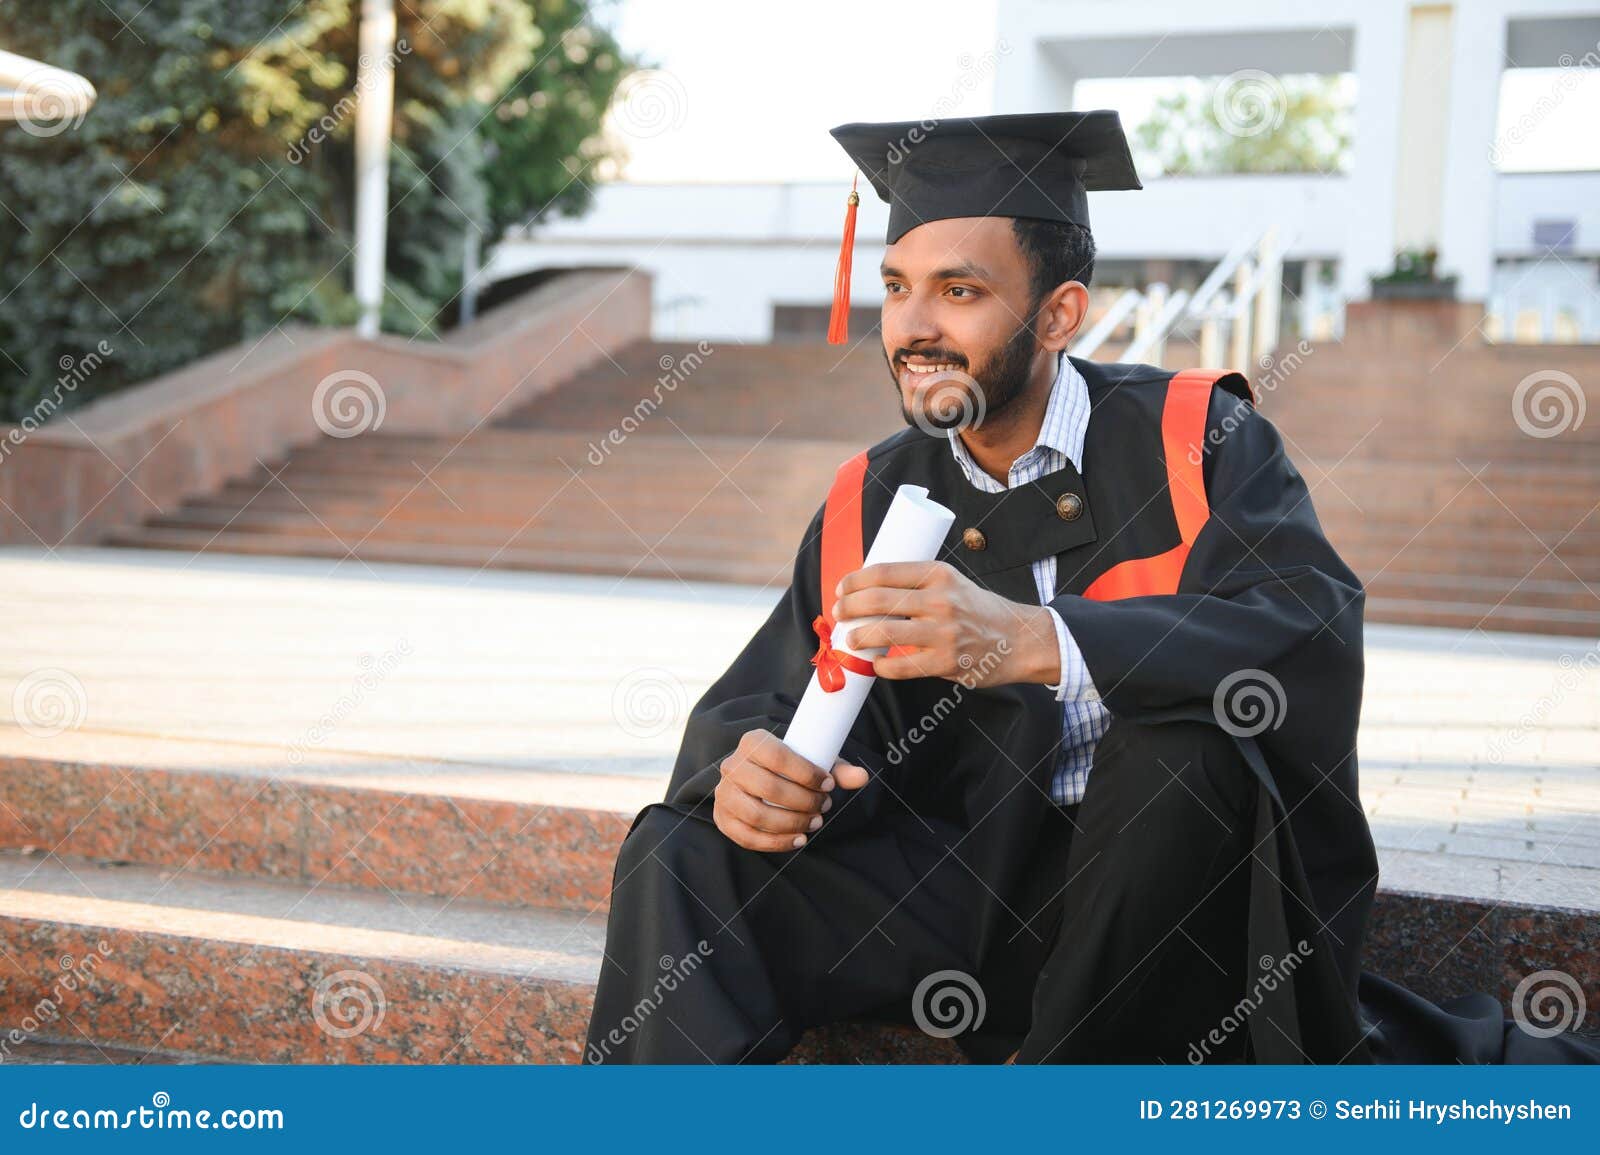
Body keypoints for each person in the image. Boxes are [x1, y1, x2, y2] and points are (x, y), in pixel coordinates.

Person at [583, 111, 1597, 1065]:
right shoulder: (868, 495)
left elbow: (1305, 627)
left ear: (1061, 311)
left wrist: (1040, 644)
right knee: (678, 849)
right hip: (965, 899)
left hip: (1165, 908)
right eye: (897, 287)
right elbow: (768, 695)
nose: (912, 326)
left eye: (960, 290)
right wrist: (748, 769)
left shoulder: (1197, 439)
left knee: (1187, 747)